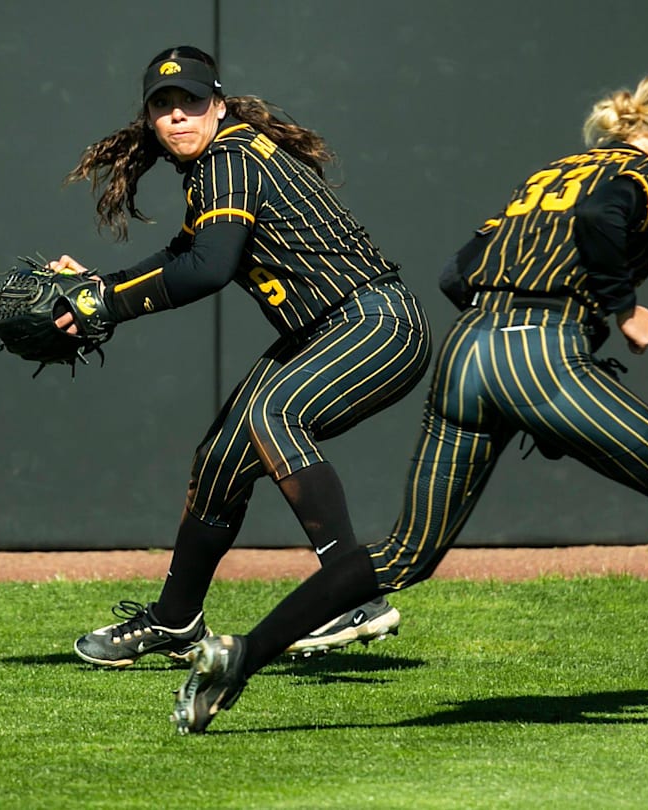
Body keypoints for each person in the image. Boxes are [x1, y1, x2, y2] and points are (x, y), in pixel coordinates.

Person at [169, 63, 648, 734]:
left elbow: (459, 272)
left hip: (469, 352)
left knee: (405, 552)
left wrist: (522, 380)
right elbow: (602, 218)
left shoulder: (554, 172)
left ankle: (239, 658)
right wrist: (619, 311)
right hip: (538, 351)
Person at [59, 46, 431, 667]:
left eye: (191, 102)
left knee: (271, 418)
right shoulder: (223, 164)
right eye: (163, 105)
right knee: (221, 459)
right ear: (150, 118)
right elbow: (183, 257)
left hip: (371, 323)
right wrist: (101, 288)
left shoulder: (230, 159)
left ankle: (353, 592)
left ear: (219, 105)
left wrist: (108, 306)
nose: (178, 116)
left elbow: (208, 270)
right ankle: (177, 622)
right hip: (326, 331)